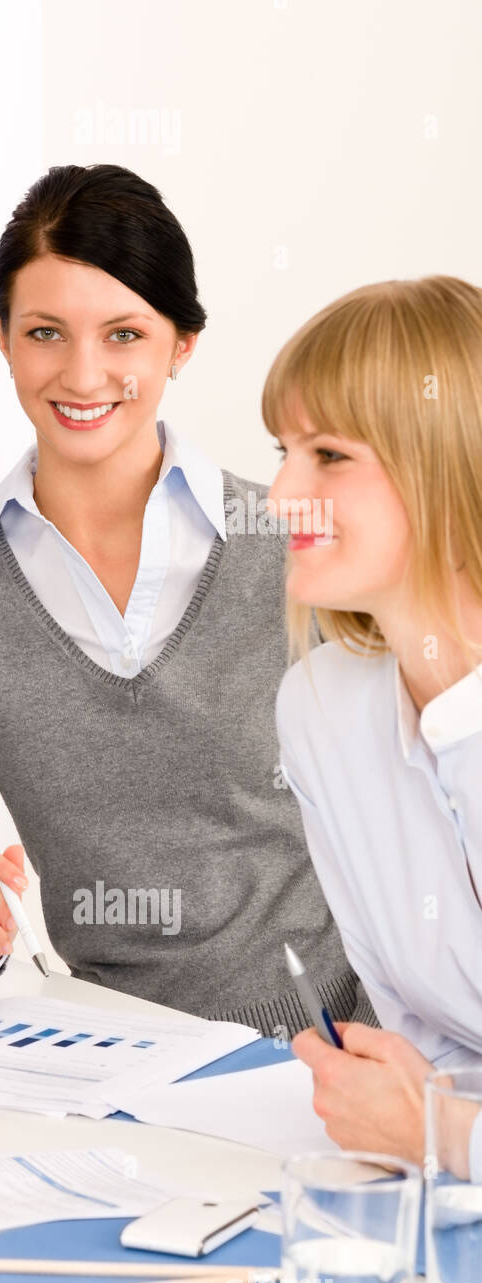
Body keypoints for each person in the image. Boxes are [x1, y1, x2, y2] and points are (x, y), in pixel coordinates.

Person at [0, 165, 369, 1035]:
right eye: (46, 332)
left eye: (125, 335)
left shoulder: (299, 545)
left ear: (183, 344)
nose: (83, 372)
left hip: (329, 1039)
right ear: (2, 338)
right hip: (102, 1047)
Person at [270, 275, 482, 1180]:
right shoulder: (321, 709)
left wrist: (441, 1137)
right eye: (281, 450)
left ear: (443, 459)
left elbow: (438, 1112)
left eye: (327, 455)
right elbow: (424, 1044)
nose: (280, 494)